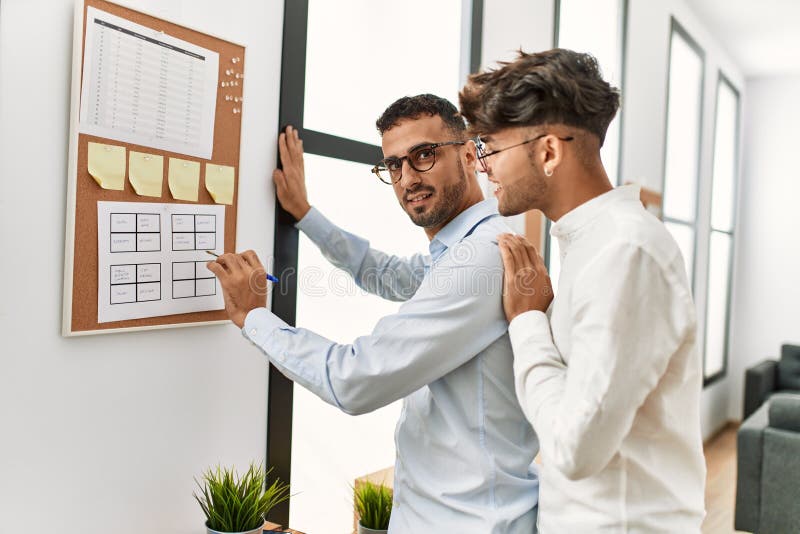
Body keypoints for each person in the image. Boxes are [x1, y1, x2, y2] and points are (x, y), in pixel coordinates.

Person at [207, 95, 539, 532]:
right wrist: (306, 215)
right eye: (394, 165)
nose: (407, 178)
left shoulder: (480, 257)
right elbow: (385, 274)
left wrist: (254, 318)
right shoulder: (460, 249)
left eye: (423, 155)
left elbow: (355, 380)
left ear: (467, 154)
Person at [459, 49, 706, 532]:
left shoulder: (625, 251)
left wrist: (527, 321)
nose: (483, 166)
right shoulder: (589, 242)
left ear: (549, 151)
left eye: (490, 147)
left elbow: (575, 449)